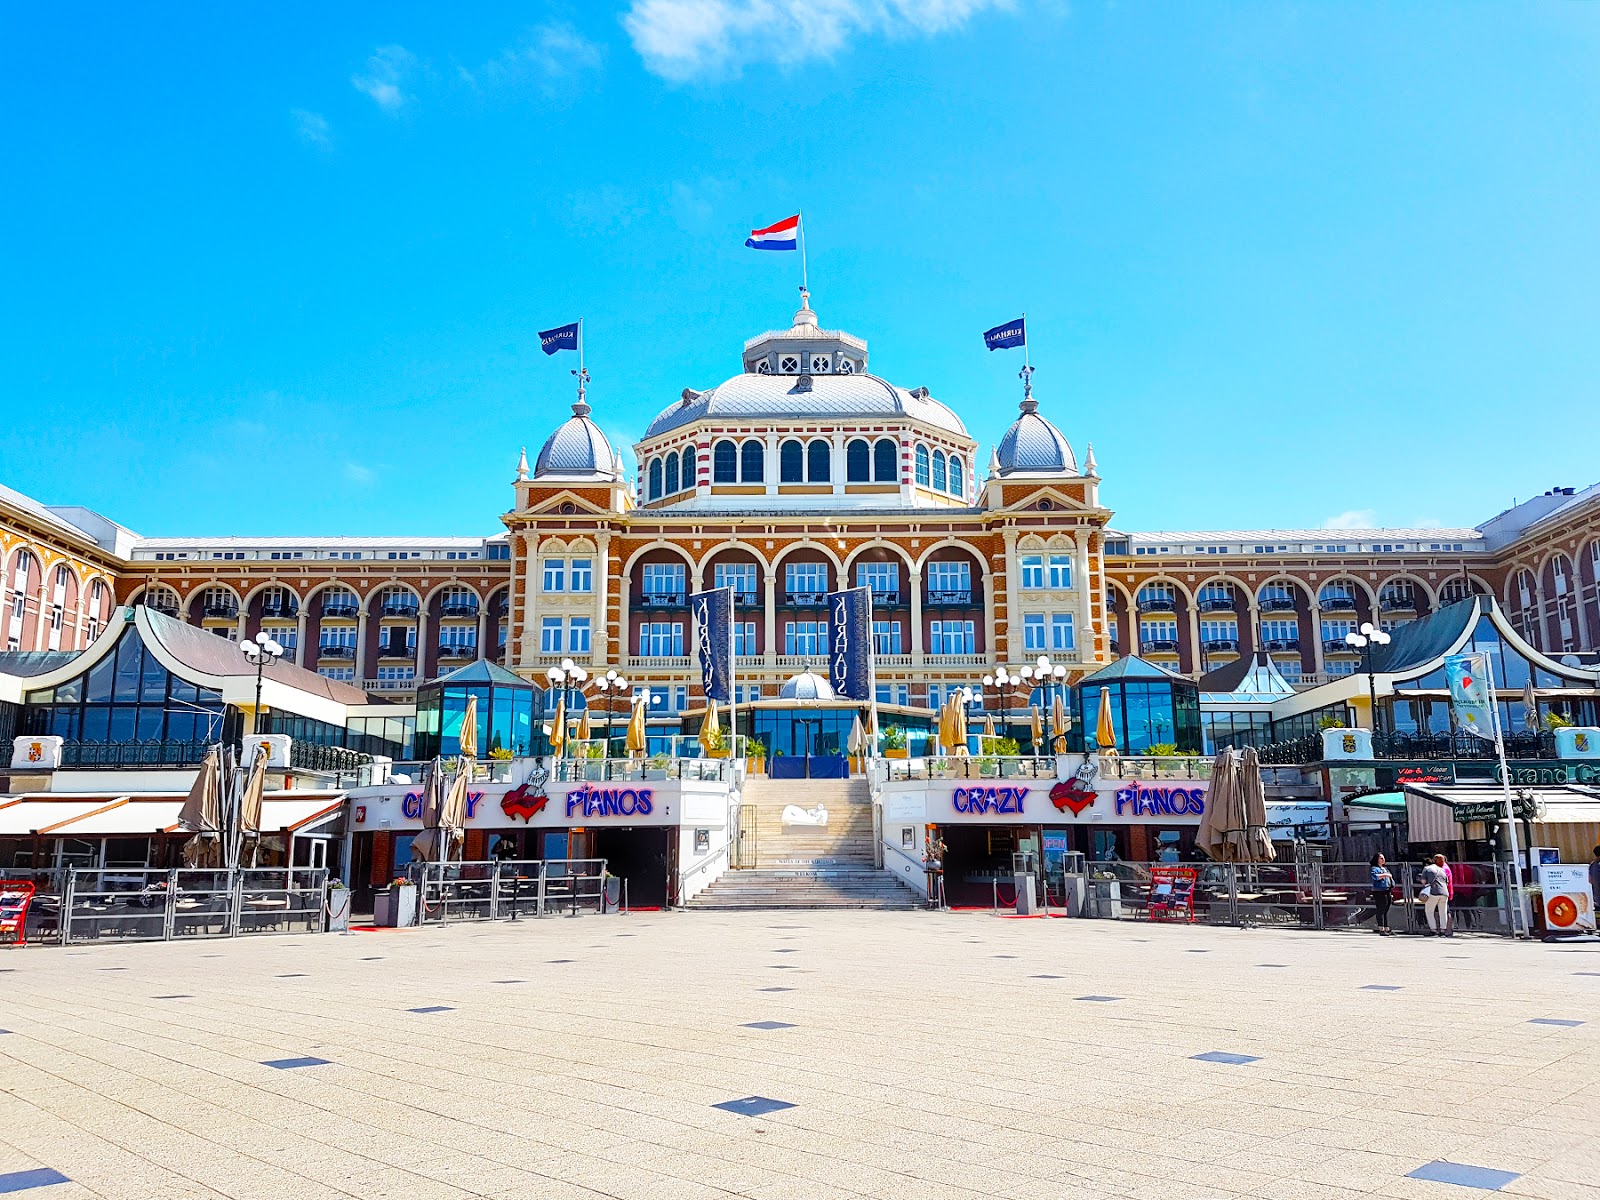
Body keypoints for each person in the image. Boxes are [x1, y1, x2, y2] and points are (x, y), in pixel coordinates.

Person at [1420, 854, 1451, 936]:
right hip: (1444, 892)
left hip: (1433, 892)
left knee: (1429, 911)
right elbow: (1447, 882)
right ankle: (1443, 930)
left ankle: (1433, 930)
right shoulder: (1442, 870)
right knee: (1443, 912)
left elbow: (1423, 881)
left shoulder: (1427, 869)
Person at [1370, 853, 1395, 935]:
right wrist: (1385, 875)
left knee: (1386, 909)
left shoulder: (1385, 868)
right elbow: (1375, 877)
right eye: (1381, 858)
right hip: (1379, 891)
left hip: (1387, 890)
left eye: (1383, 858)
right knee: (1381, 909)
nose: (1383, 860)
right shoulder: (1374, 868)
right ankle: (1381, 928)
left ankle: (1386, 928)